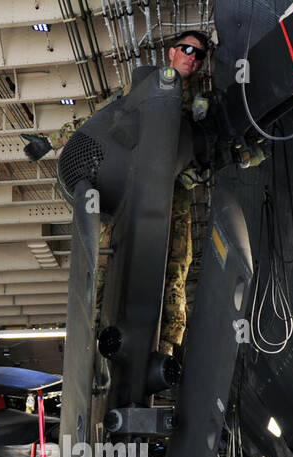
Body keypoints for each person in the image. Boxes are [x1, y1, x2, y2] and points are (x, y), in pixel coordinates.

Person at [43, 29, 211, 357]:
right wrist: (50, 141)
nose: (192, 57)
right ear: (171, 53)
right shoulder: (140, 90)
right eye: (187, 49)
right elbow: (97, 122)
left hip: (171, 192)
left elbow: (206, 149)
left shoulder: (199, 106)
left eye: (199, 55)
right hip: (126, 188)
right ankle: (91, 339)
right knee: (104, 256)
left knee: (177, 264)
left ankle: (164, 349)